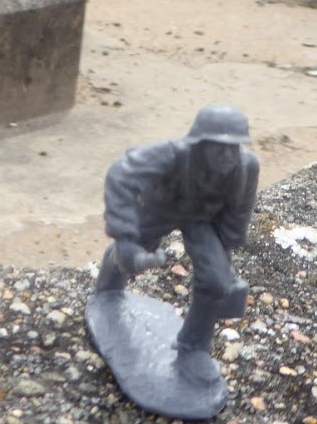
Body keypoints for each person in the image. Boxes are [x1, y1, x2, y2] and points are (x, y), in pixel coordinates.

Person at [97, 104, 259, 382]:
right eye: (218, 147)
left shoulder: (246, 167)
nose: (226, 156)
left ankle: (195, 344)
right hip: (160, 209)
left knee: (216, 281)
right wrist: (125, 235)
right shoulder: (171, 154)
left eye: (233, 147)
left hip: (201, 220)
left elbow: (238, 211)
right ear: (200, 143)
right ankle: (108, 285)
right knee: (133, 254)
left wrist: (224, 259)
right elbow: (121, 175)